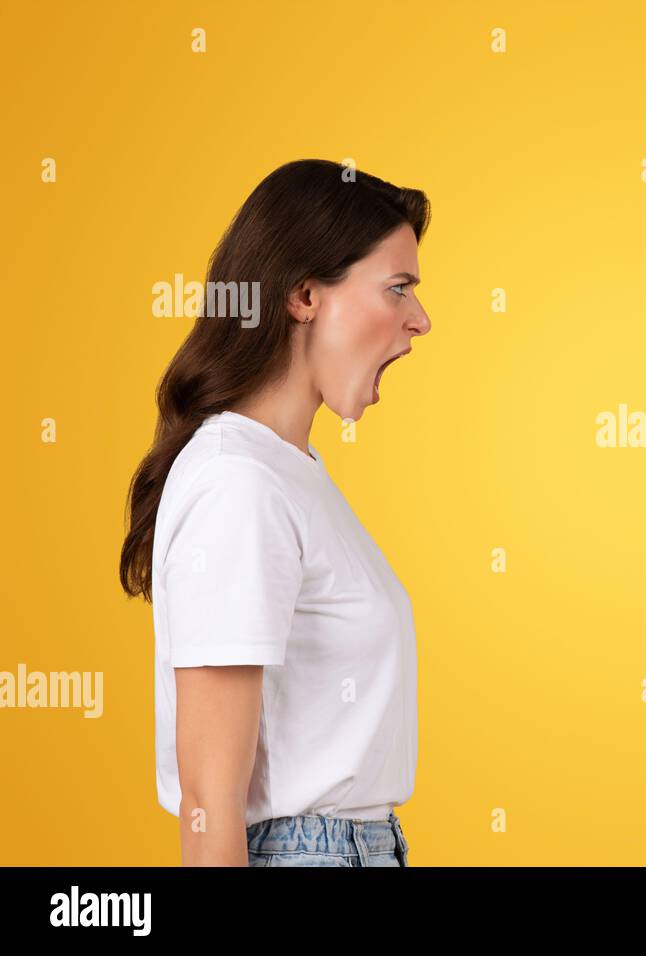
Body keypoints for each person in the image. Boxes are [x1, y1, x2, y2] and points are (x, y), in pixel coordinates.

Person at [119, 159, 430, 866]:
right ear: (303, 297)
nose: (421, 319)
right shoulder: (240, 482)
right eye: (398, 288)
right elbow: (208, 799)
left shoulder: (287, 473)